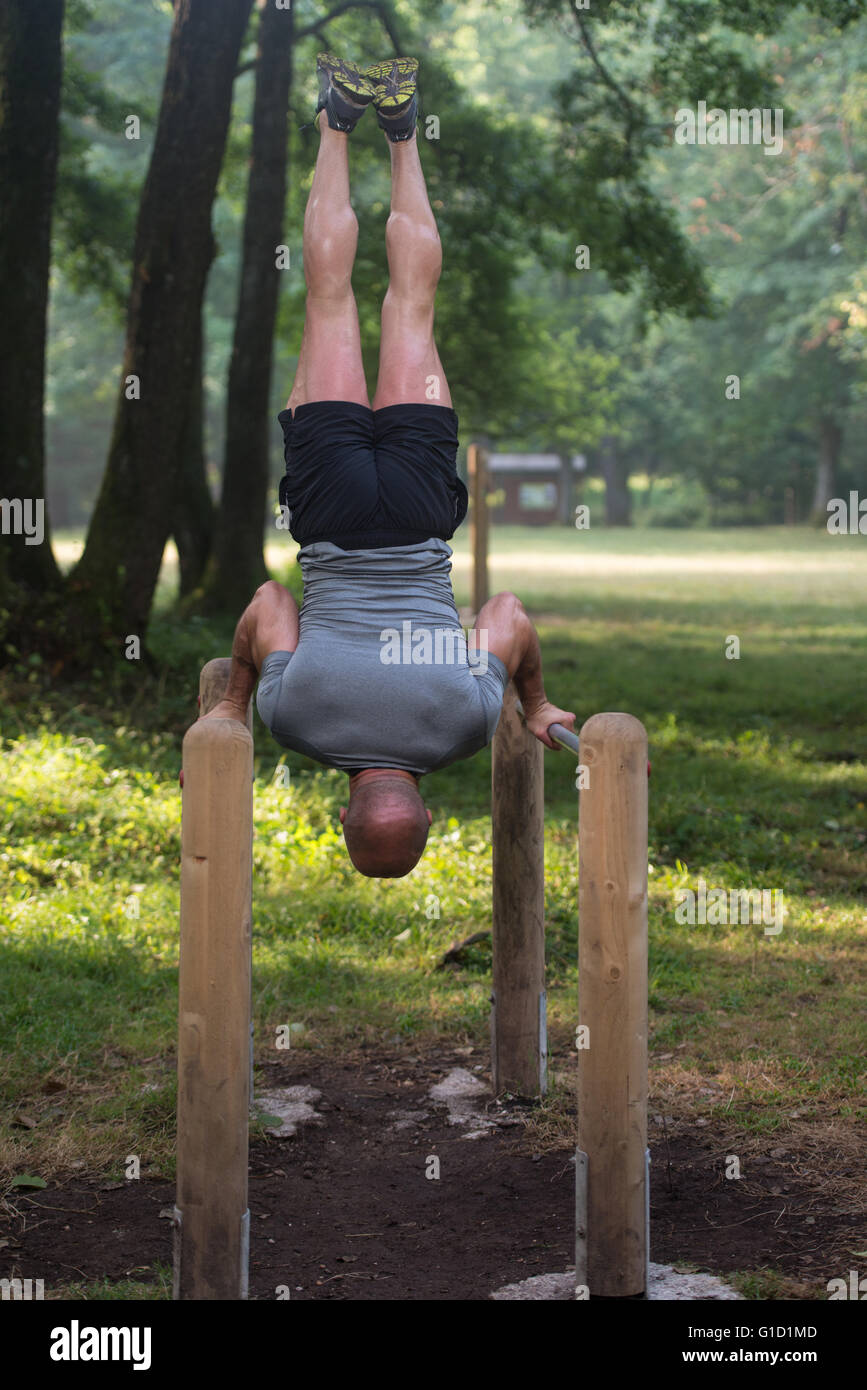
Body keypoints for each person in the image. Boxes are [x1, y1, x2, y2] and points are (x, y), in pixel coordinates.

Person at [204, 55, 575, 878]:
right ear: (343, 815)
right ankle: (339, 118)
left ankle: (402, 129)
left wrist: (535, 701)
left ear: (430, 815)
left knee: (411, 303)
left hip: (415, 515)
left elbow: (506, 613)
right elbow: (269, 604)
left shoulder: (463, 725)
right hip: (333, 514)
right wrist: (234, 702)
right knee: (329, 295)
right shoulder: (293, 720)